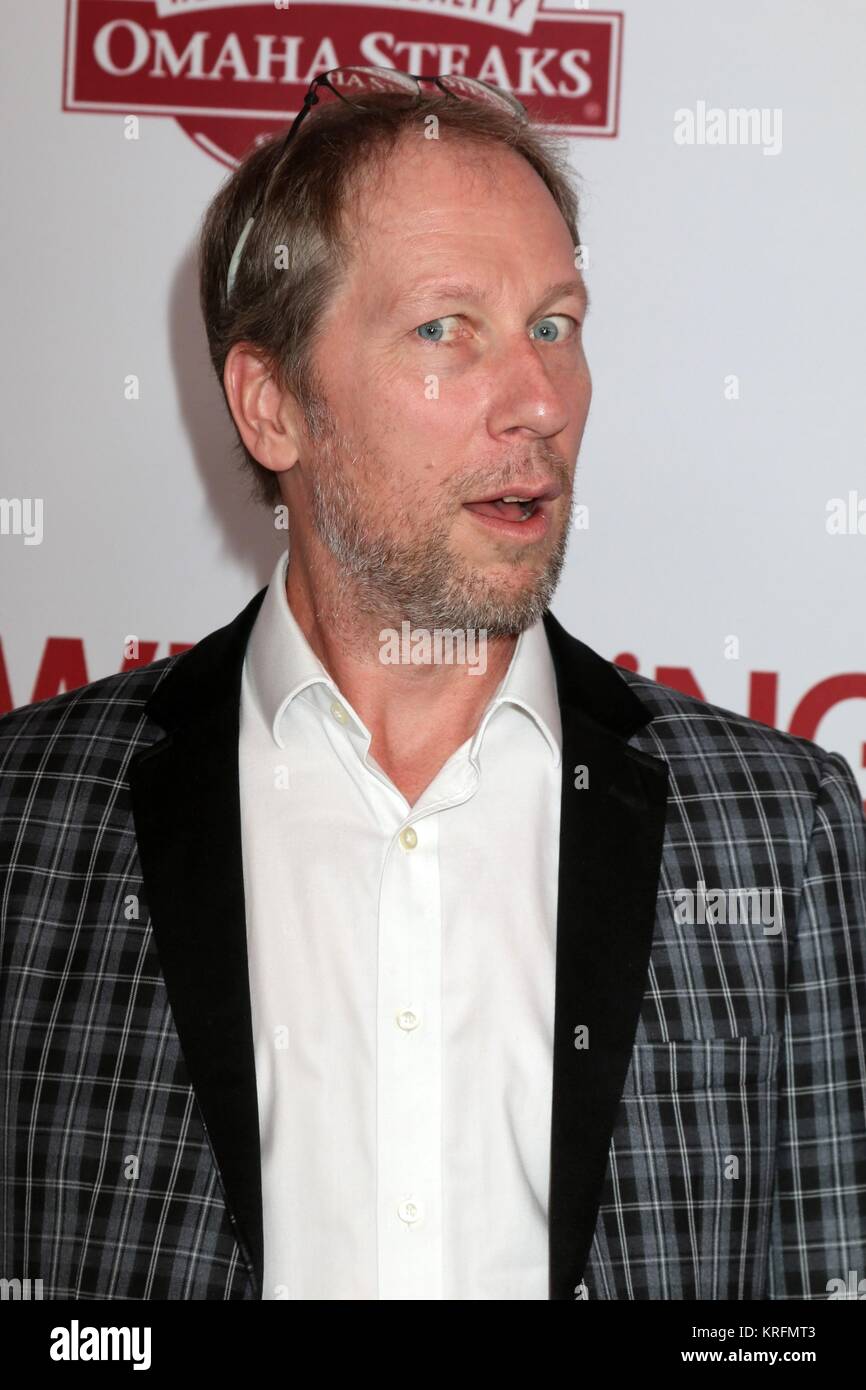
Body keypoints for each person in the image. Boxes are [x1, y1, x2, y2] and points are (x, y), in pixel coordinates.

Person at [1, 68, 864, 1302]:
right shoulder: (30, 822)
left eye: (553, 327)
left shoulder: (778, 830)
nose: (538, 403)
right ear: (270, 404)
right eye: (442, 330)